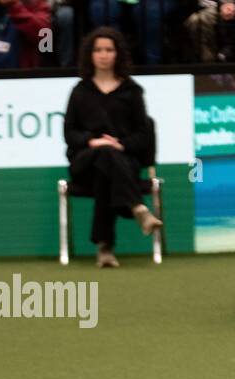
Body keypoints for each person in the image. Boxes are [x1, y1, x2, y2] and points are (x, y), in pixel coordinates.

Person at [64, 27, 163, 267]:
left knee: (105, 169)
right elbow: (70, 134)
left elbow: (143, 134)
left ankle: (105, 247)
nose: (104, 54)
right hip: (84, 161)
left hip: (122, 161)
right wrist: (92, 141)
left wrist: (121, 144)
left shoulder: (132, 91)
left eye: (109, 49)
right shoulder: (80, 91)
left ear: (118, 54)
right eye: (98, 50)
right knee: (102, 156)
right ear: (90, 54)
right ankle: (137, 206)